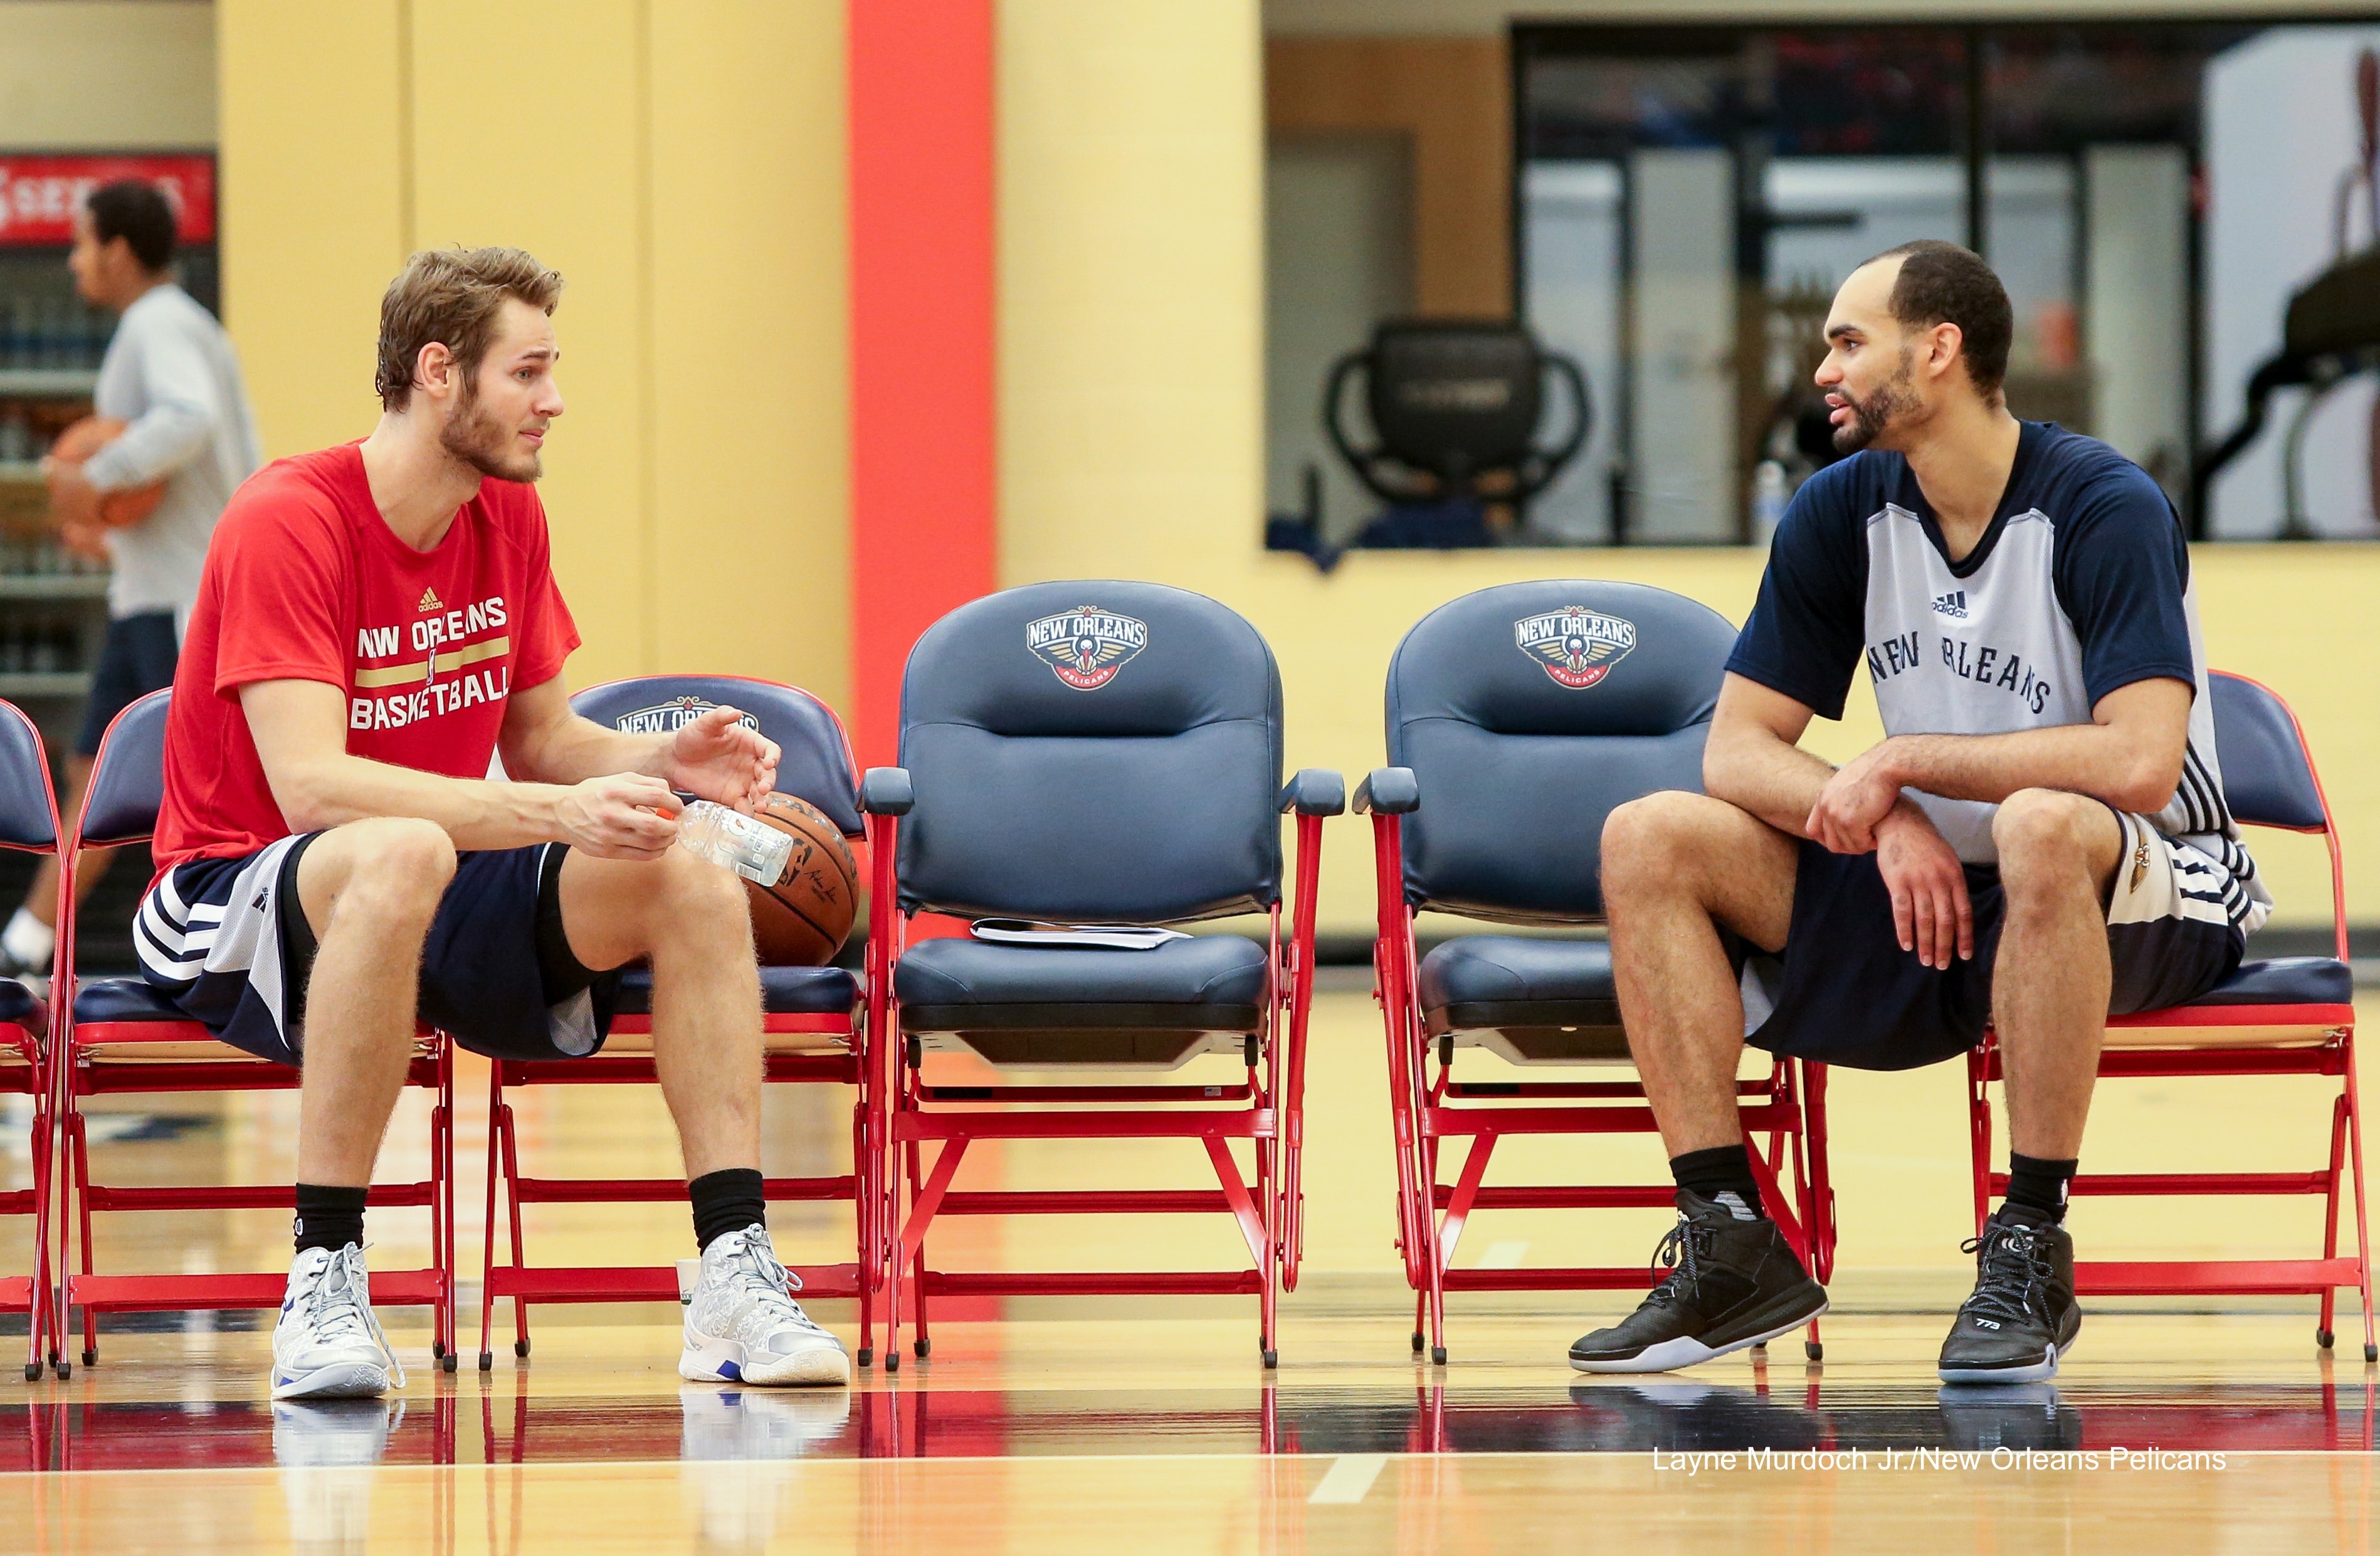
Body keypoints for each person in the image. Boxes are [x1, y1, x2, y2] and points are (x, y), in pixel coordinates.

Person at [136, 245, 848, 1400]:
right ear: (437, 374)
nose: (554, 399)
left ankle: (731, 1272)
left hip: (424, 879)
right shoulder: (289, 517)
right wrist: (548, 810)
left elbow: (545, 742)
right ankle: (323, 1277)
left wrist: (669, 761)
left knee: (692, 864)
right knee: (402, 847)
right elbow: (313, 787)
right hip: (233, 893)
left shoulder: (506, 518)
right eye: (529, 371)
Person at [1571, 240, 2268, 1385]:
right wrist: (1886, 816)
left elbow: (2141, 766)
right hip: (1940, 889)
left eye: (1849, 341)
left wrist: (1904, 759)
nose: (1822, 371)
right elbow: (1736, 750)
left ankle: (2032, 1242)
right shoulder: (1841, 510)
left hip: (2152, 876)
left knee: (2044, 821)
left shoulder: (2102, 504)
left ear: (1938, 350)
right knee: (1648, 835)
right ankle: (1732, 1238)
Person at [0, 179, 260, 982]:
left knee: (203, 791)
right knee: (92, 779)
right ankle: (24, 949)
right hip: (147, 595)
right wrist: (112, 528)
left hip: (189, 604)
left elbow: (189, 419)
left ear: (116, 249)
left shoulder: (157, 324)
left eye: (80, 244)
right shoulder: (171, 325)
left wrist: (98, 476)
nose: (74, 261)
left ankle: (234, 950)